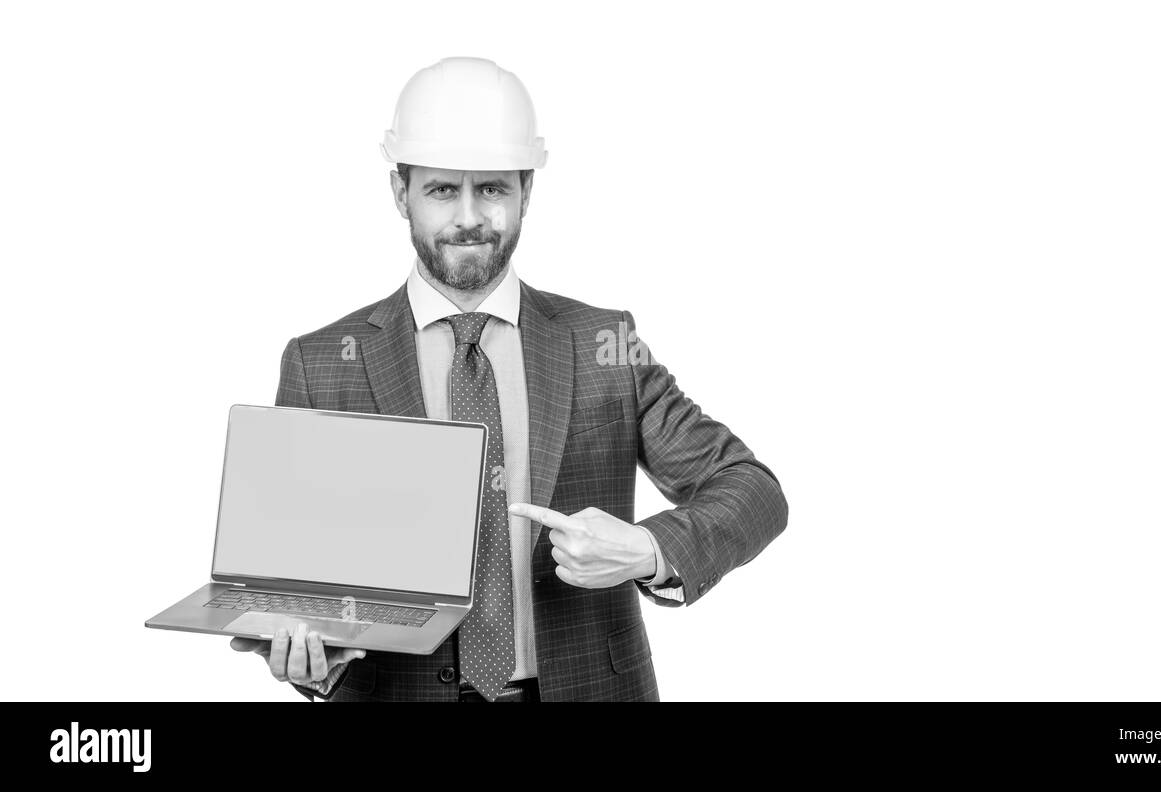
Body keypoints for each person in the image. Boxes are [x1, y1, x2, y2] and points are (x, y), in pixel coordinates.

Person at [230, 57, 787, 702]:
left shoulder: (602, 342)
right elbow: (296, 590)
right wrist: (312, 662)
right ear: (399, 192)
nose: (469, 217)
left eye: (492, 188)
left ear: (527, 190)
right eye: (442, 189)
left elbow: (752, 489)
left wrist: (648, 548)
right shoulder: (320, 363)